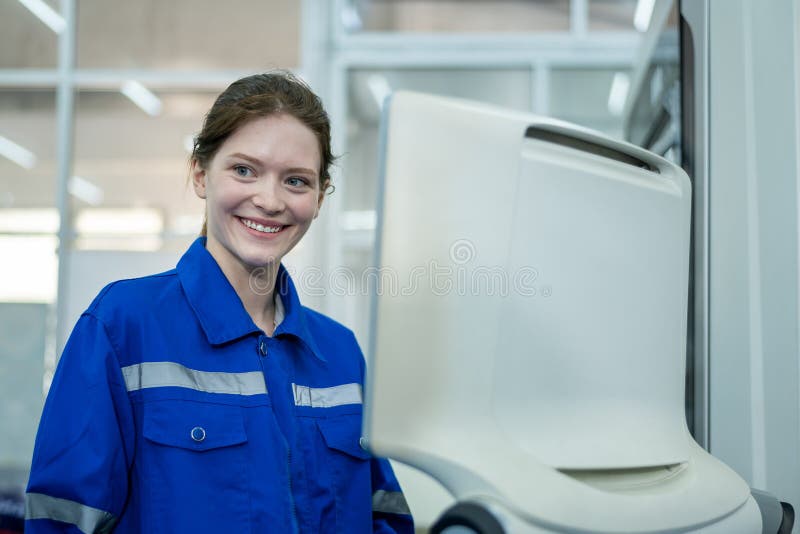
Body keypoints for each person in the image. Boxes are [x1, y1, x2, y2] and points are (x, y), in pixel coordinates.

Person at [24, 71, 414, 533]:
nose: (269, 201)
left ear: (320, 195)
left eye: (296, 181)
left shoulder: (340, 354)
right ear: (200, 174)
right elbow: (62, 523)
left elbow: (383, 518)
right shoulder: (122, 326)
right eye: (244, 170)